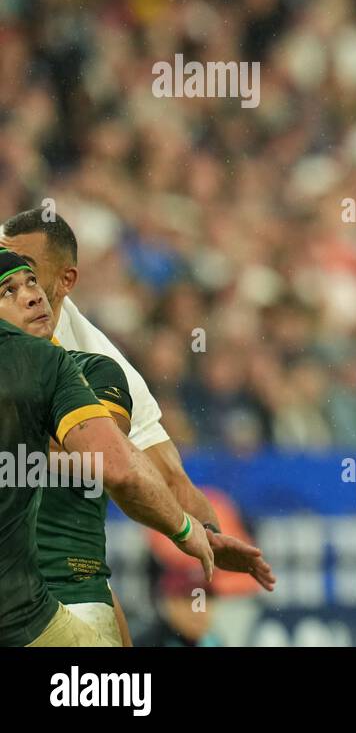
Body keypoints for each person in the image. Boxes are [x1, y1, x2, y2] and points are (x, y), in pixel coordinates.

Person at [0, 209, 277, 633]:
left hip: (53, 588)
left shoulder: (98, 365)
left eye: (30, 275)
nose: (23, 287)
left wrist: (202, 532)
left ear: (65, 281)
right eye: (6, 276)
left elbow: (149, 472)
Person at [0, 249, 214, 646]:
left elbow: (103, 461)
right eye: (7, 291)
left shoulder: (91, 369)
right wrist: (183, 528)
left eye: (32, 281)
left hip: (71, 589)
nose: (32, 295)